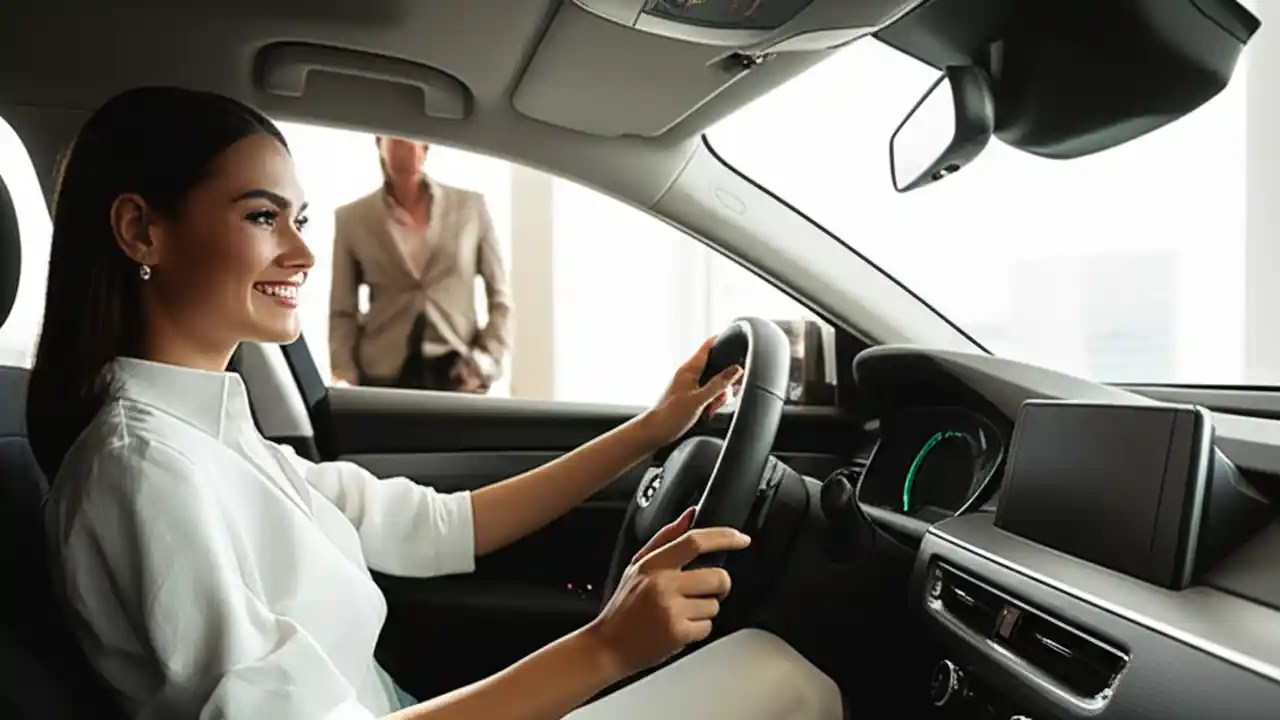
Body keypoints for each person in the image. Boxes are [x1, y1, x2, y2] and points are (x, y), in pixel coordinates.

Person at [26, 87, 838, 719]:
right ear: (141, 231)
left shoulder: (219, 435)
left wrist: (653, 431)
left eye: (299, 219)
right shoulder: (145, 473)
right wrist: (607, 646)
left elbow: (448, 526)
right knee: (782, 673)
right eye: (263, 217)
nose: (305, 251)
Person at [329, 136, 512, 392]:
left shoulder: (471, 208)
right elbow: (342, 311)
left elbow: (500, 299)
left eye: (414, 139)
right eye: (396, 139)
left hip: (458, 371)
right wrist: (344, 376)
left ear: (427, 147)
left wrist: (486, 361)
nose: (407, 146)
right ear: (379, 144)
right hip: (382, 373)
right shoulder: (352, 218)